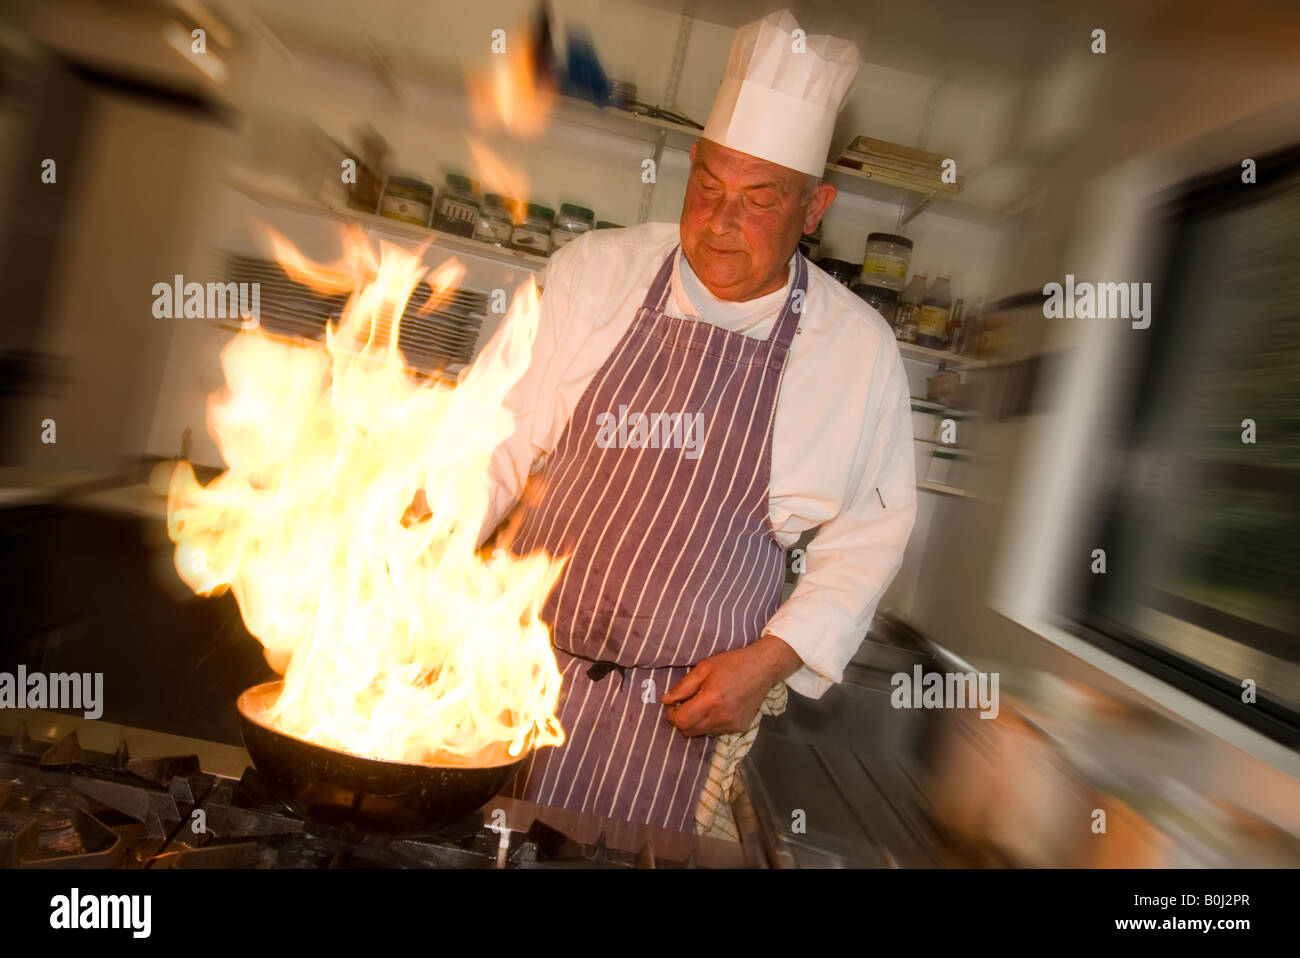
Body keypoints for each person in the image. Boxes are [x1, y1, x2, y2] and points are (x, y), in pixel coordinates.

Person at [479, 8, 917, 836]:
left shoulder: (855, 353)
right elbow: (489, 446)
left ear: (813, 208)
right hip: (508, 669)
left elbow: (865, 544)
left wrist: (767, 664)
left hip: (682, 713)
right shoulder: (593, 275)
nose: (721, 221)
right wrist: (413, 570)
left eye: (758, 201)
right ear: (690, 165)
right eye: (709, 186)